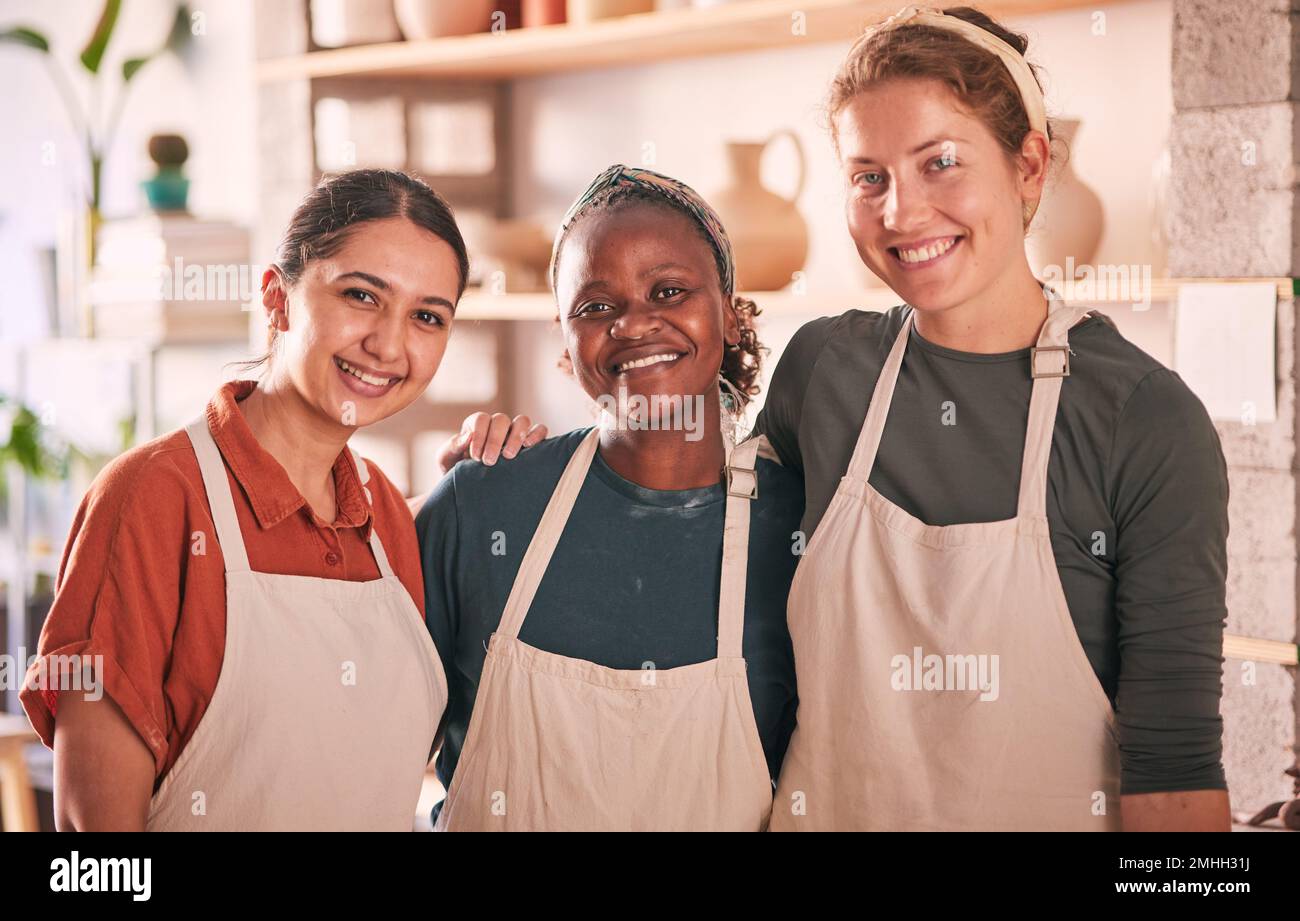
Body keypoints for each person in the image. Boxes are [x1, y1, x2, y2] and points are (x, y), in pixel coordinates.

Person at [757, 5, 1230, 831]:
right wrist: (517, 460)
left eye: (939, 162)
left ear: (1030, 167)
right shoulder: (824, 372)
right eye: (869, 176)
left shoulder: (1144, 419)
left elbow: (1176, 779)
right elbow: (695, 547)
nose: (901, 212)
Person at [21, 168, 542, 831]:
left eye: (427, 317)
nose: (387, 344)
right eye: (361, 295)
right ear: (277, 299)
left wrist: (487, 487)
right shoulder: (152, 499)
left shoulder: (387, 517)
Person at [416, 165, 804, 831]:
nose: (634, 323)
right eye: (596, 307)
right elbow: (357, 761)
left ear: (732, 317)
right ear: (566, 350)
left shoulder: (802, 529)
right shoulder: (481, 506)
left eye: (670, 290)